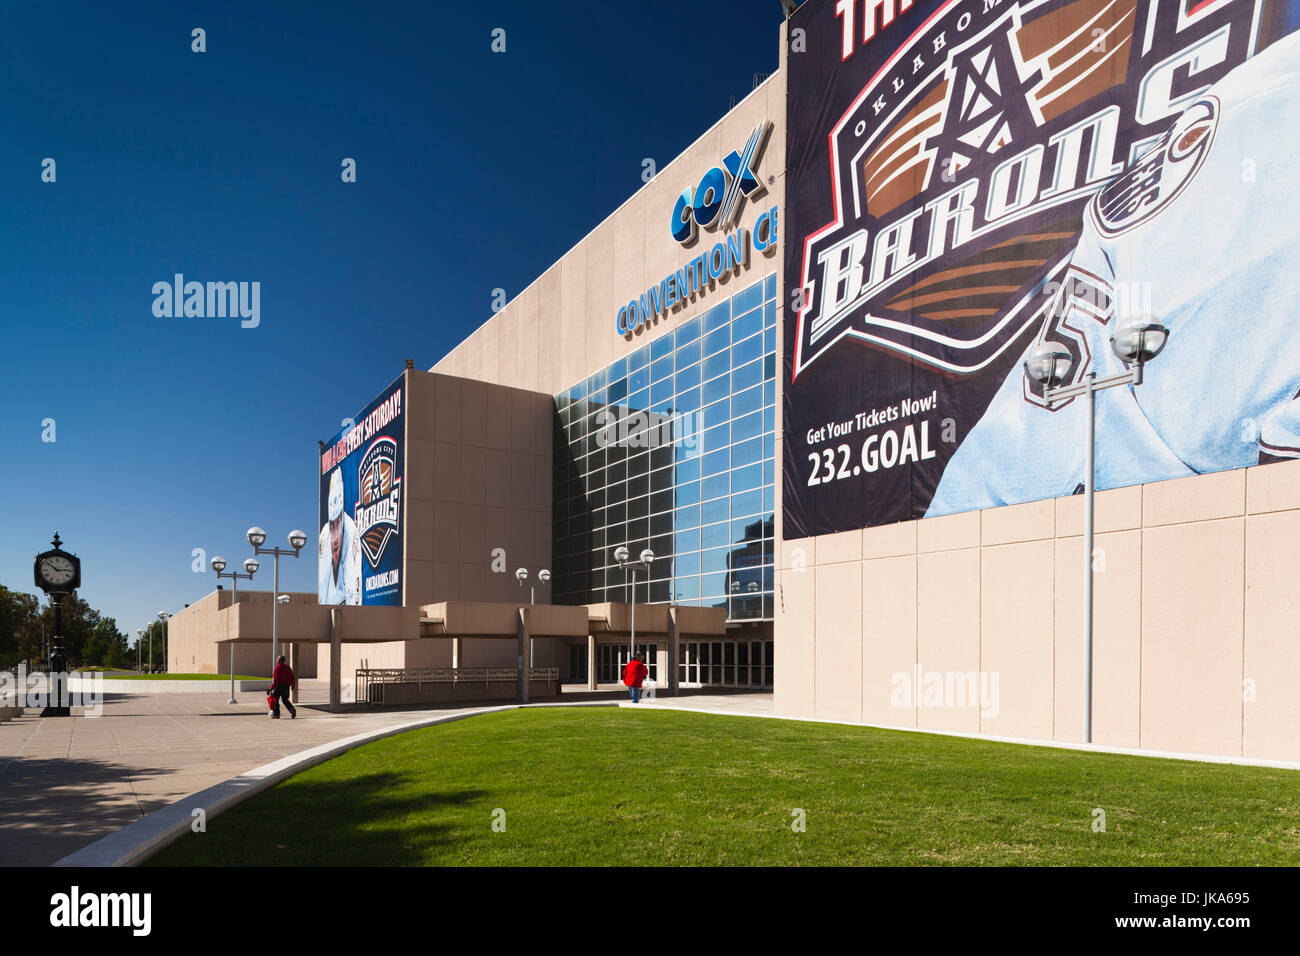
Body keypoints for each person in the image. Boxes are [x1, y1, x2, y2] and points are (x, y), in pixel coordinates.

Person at [318, 467, 362, 605]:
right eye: (332, 526)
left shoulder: (351, 530)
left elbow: (354, 578)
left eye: (338, 525)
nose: (335, 537)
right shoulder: (324, 535)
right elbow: (322, 579)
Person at [270, 654, 296, 719]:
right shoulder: (288, 667)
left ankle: (276, 714)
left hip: (279, 686)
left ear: (280, 660)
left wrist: (271, 688)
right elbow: (292, 677)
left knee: (276, 700)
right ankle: (292, 710)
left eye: (277, 659)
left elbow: (276, 680)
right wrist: (292, 685)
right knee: (285, 700)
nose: (276, 660)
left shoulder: (277, 668)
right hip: (286, 686)